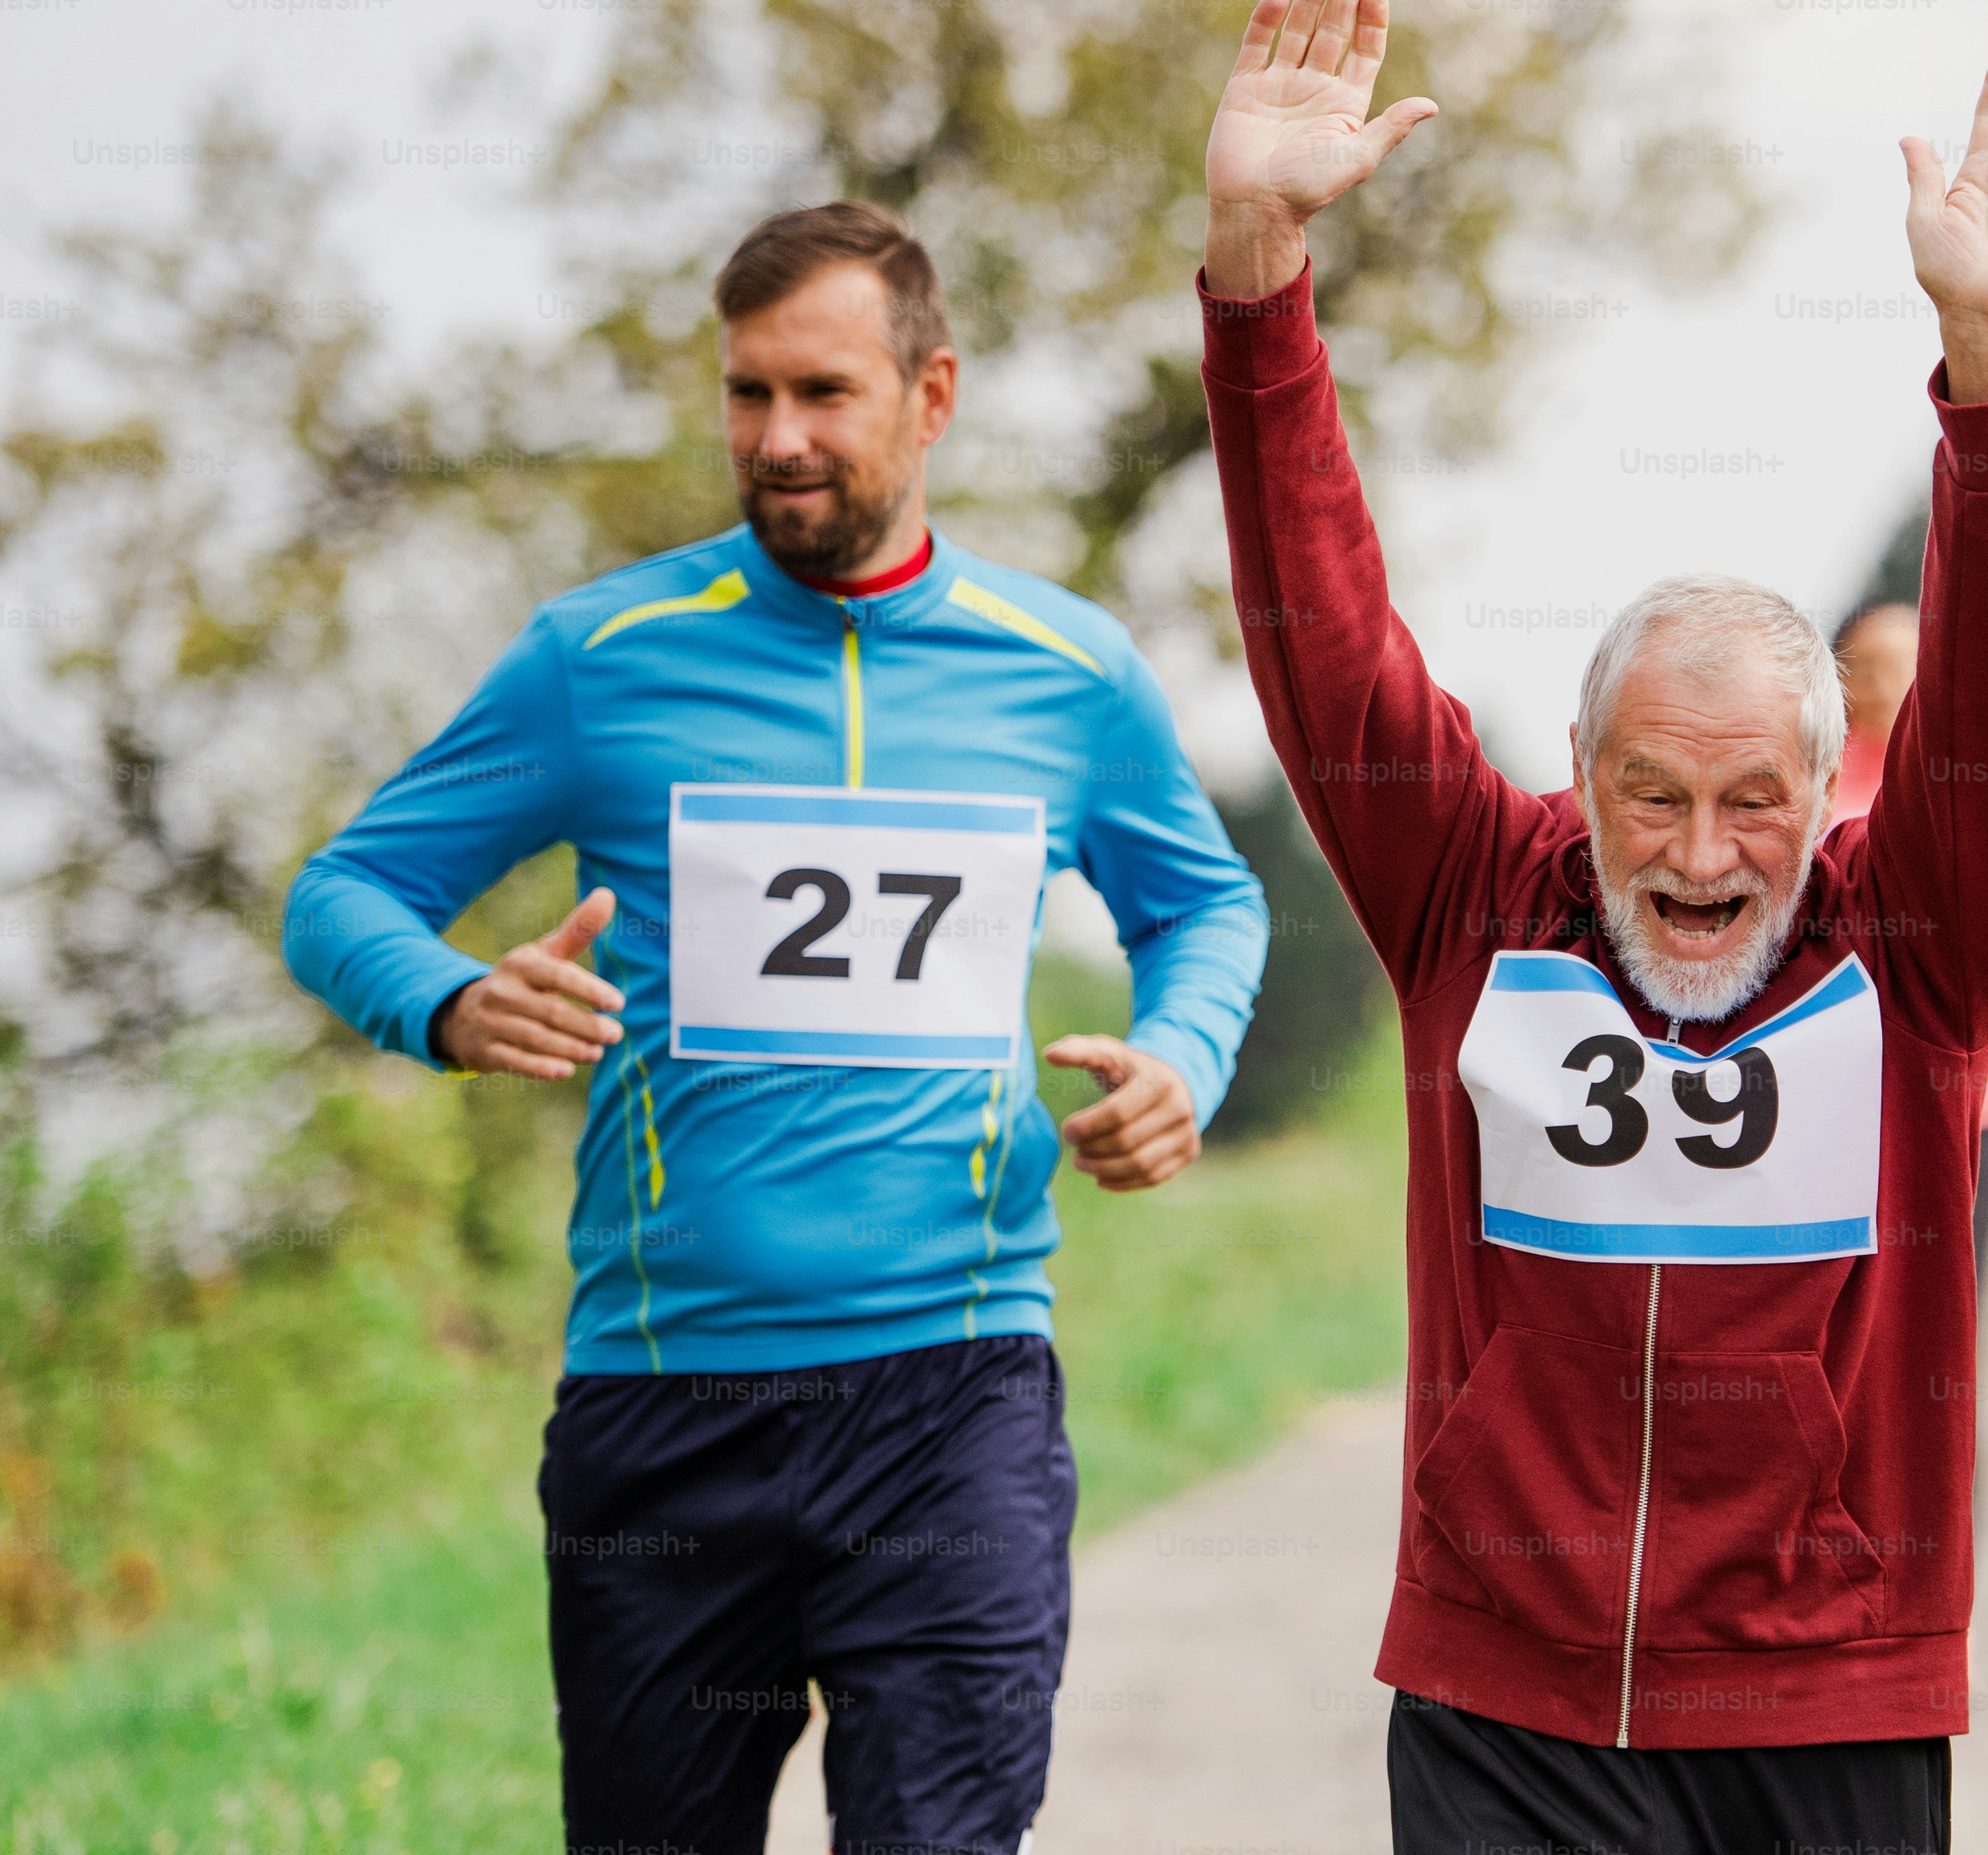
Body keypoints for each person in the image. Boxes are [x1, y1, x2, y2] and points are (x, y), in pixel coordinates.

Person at [1192, 0, 1988, 1853]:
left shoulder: (1912, 945)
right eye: (1654, 797)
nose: (1703, 855)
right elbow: (1323, 638)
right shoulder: (1475, 892)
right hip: (1503, 1691)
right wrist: (1258, 272)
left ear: (1824, 790)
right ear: (1581, 781)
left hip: (1825, 1684)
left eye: (1755, 801)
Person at [282, 199, 1268, 1855]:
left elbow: (1205, 904)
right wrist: (449, 999)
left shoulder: (1066, 672)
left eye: (821, 392)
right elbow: (345, 888)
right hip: (664, 1413)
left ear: (930, 396)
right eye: (747, 395)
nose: (778, 437)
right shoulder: (600, 658)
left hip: (954, 1397)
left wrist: (1184, 1054)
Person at [1832, 602, 1988, 1286]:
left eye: (1912, 667)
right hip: (1854, 1096)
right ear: (1843, 683)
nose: (1897, 687)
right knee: (1863, 1300)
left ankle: (1953, 1399)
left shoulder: (1963, 787)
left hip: (1982, 1093)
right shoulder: (1811, 795)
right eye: (1876, 669)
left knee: (1959, 1293)